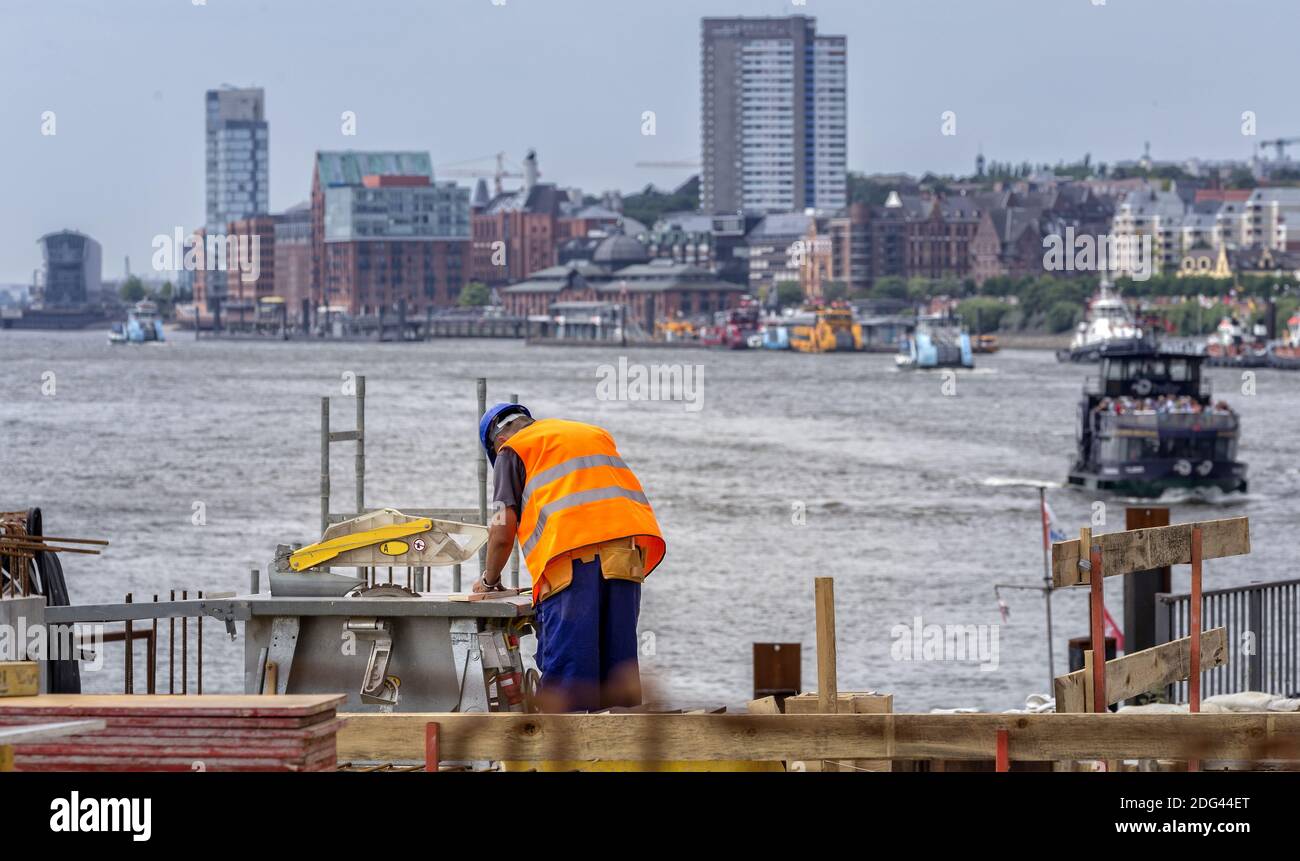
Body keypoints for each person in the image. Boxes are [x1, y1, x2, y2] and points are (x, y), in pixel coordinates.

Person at [473, 403, 666, 712]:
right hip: (625, 560)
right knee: (619, 675)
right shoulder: (590, 433)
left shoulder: (512, 452)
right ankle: (622, 754)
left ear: (496, 443)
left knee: (570, 676)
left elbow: (501, 530)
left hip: (571, 567)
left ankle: (562, 758)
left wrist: (488, 580)